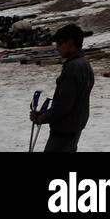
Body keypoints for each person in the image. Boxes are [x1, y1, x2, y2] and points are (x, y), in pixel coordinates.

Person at [31, 24, 94, 152]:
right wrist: (45, 113)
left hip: (64, 132)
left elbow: (63, 106)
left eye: (60, 43)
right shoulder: (84, 64)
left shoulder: (73, 68)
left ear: (70, 43)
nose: (57, 48)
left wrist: (43, 118)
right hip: (74, 128)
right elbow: (70, 101)